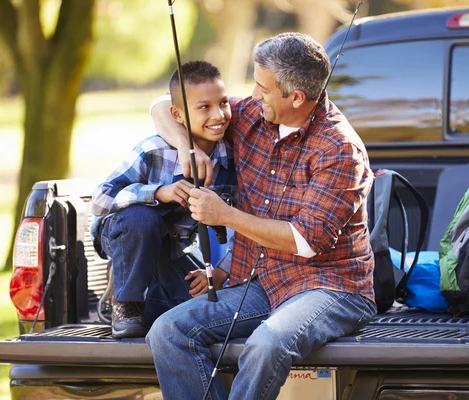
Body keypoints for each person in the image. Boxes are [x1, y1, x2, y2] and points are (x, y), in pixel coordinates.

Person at [147, 32, 376, 400]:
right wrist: (184, 146)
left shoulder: (339, 149)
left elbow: (305, 241)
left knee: (266, 343)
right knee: (167, 332)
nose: (253, 96)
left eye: (263, 88)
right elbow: (163, 105)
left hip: (331, 287)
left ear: (296, 97)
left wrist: (227, 215)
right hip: (264, 281)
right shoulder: (256, 115)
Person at [91, 61, 235, 339]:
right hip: (125, 232)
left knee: (194, 312)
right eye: (204, 107)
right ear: (177, 115)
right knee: (143, 218)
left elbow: (245, 220)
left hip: (173, 248)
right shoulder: (153, 149)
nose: (218, 114)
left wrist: (221, 271)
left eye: (224, 103)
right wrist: (156, 193)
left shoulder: (231, 158)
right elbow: (99, 200)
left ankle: (147, 296)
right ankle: (125, 302)